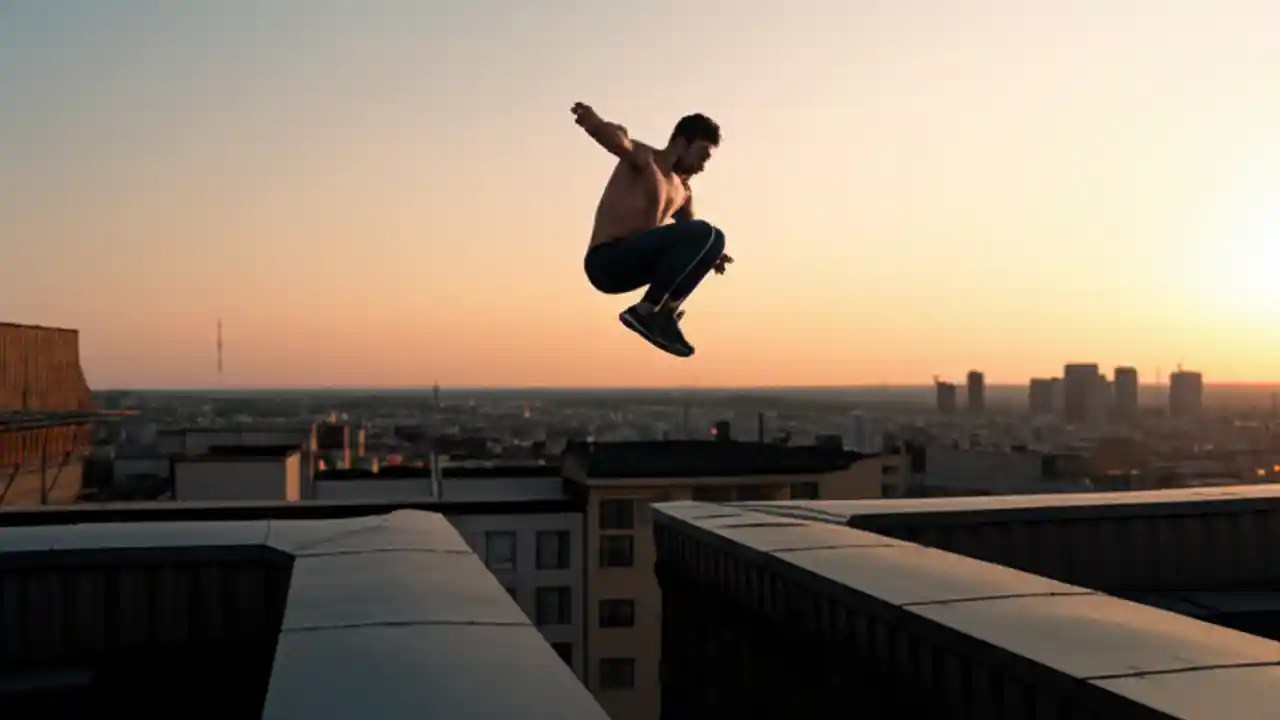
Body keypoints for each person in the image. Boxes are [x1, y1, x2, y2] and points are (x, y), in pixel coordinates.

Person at [572, 102, 732, 358]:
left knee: (715, 239)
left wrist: (712, 254)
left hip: (634, 267)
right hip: (606, 261)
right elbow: (619, 140)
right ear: (680, 144)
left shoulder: (683, 192)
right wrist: (595, 125)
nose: (702, 165)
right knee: (706, 232)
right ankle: (646, 311)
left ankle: (664, 315)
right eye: (701, 155)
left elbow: (695, 237)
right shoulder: (645, 160)